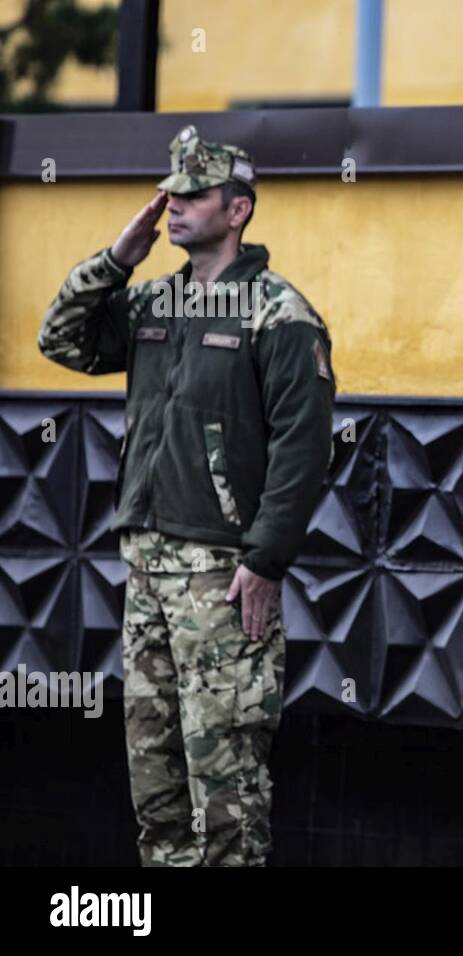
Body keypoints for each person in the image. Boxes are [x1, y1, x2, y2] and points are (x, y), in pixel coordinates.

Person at [38, 125, 336, 866]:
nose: (170, 205)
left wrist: (266, 561)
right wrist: (116, 260)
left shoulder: (279, 313)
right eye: (167, 192)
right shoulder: (151, 305)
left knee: (227, 789)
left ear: (238, 210)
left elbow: (304, 447)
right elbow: (61, 339)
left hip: (222, 579)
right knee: (158, 789)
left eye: (192, 194)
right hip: (146, 572)